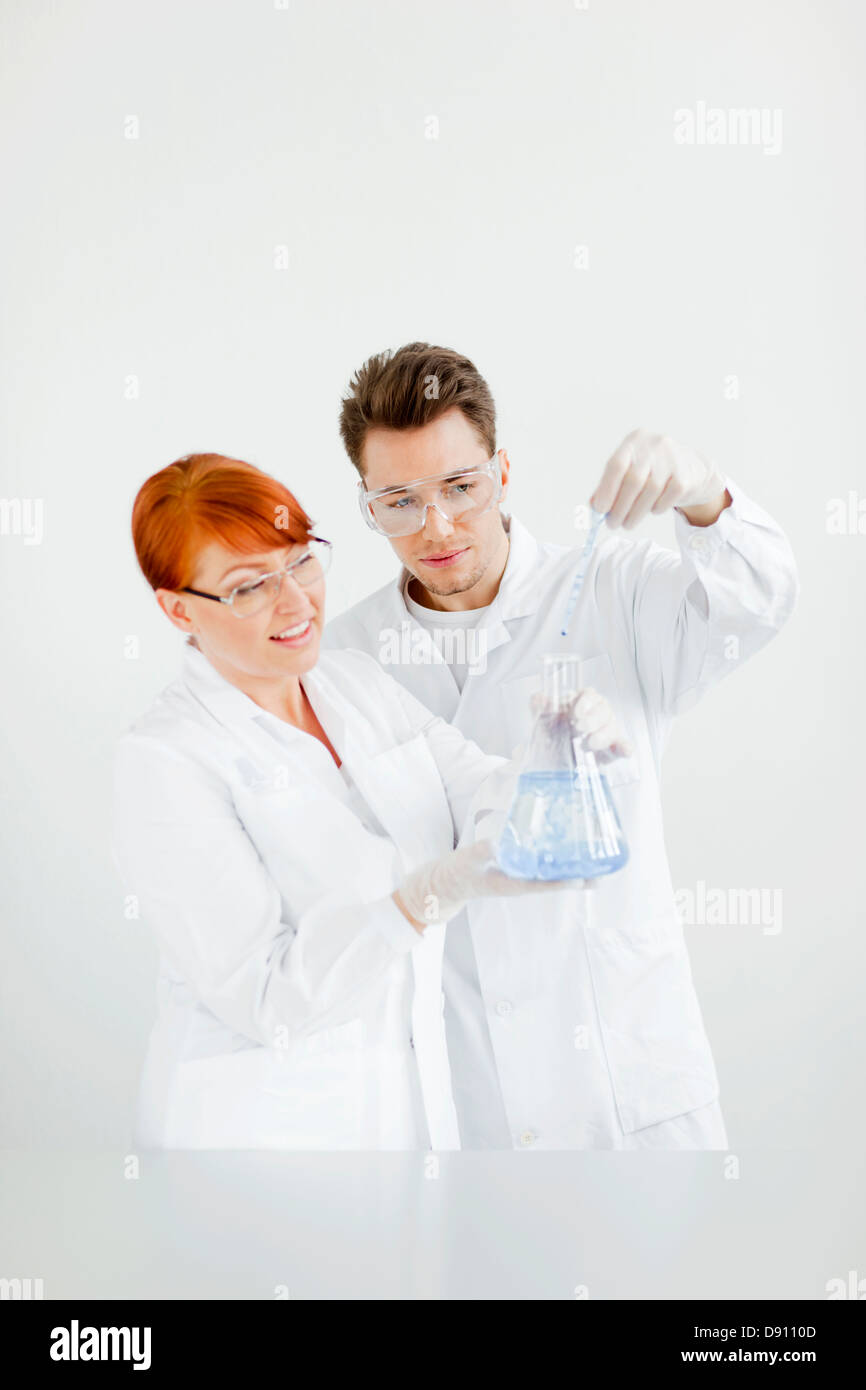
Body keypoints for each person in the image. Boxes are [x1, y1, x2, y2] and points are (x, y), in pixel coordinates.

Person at [322, 342, 801, 1150]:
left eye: (460, 488)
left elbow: (759, 599)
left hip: (632, 1093)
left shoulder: (610, 587)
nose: (436, 526)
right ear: (366, 503)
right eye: (398, 501)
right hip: (467, 1108)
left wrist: (704, 492)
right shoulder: (348, 658)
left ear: (503, 472)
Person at [111, 452, 630, 1150]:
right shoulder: (166, 760)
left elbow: (476, 789)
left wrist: (552, 754)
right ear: (177, 609)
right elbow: (267, 996)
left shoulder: (352, 683)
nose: (295, 602)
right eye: (248, 588)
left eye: (300, 561)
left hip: (407, 1124)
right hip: (257, 1146)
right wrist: (417, 903)